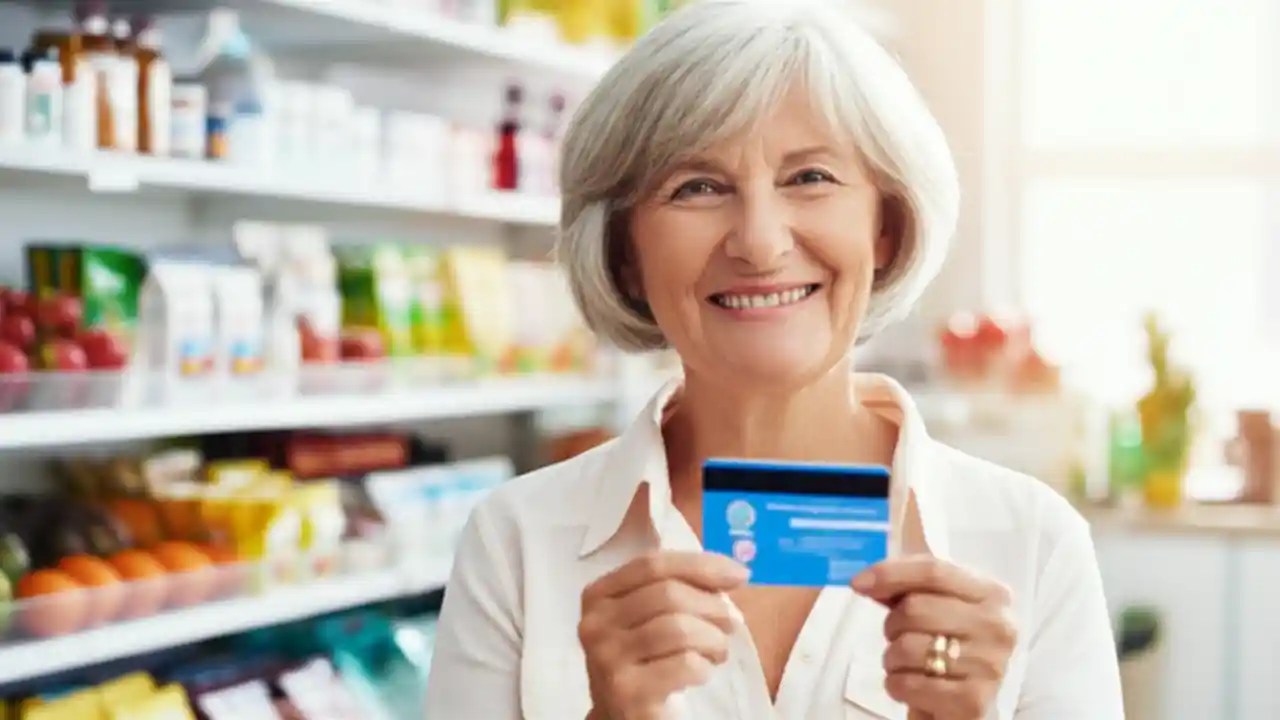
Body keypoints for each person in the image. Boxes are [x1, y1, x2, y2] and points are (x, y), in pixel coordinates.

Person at [423, 0, 1124, 718]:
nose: (759, 242)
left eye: (810, 177)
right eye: (698, 187)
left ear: (885, 226)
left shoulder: (1032, 541)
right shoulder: (517, 542)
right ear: (625, 253)